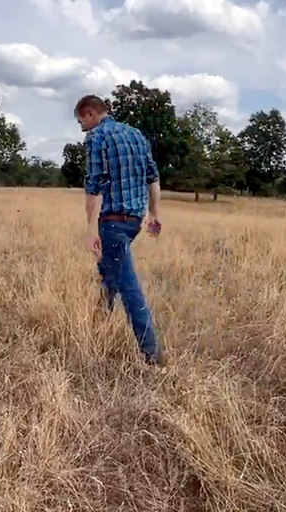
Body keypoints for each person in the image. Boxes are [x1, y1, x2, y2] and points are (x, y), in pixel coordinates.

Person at [75, 94, 166, 367]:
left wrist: (91, 229)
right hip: (134, 220)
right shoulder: (137, 134)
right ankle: (98, 331)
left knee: (127, 285)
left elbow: (95, 186)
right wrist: (154, 214)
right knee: (109, 275)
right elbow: (153, 177)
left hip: (112, 222)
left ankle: (152, 353)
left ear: (90, 113)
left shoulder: (97, 137)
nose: (83, 129)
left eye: (82, 122)